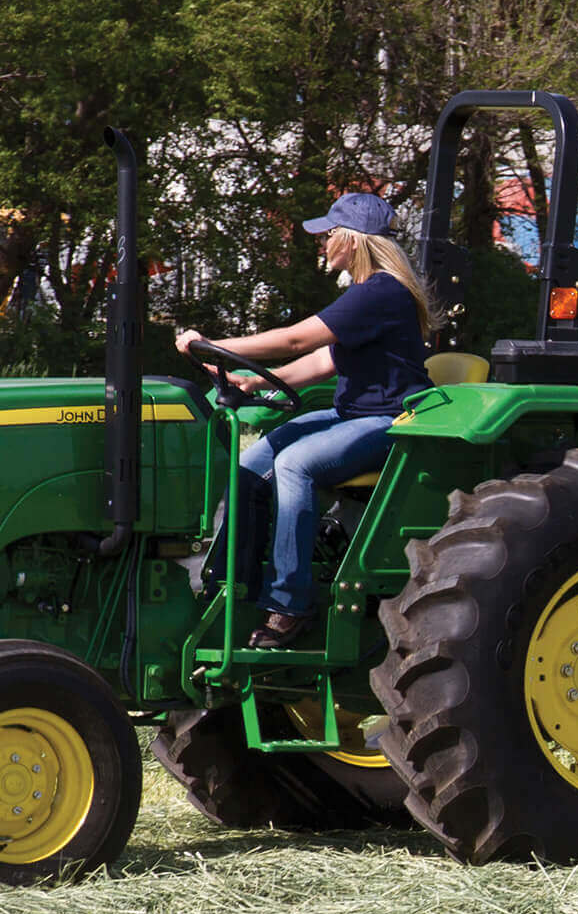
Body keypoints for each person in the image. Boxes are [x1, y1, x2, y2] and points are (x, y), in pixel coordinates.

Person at [174, 192, 434, 648]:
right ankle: (232, 585)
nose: (323, 242)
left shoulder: (382, 292)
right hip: (352, 414)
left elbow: (296, 340)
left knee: (296, 464)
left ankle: (289, 605)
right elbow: (322, 362)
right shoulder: (366, 294)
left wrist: (211, 343)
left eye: (329, 234)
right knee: (251, 464)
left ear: (352, 240)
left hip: (391, 420)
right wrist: (255, 381)